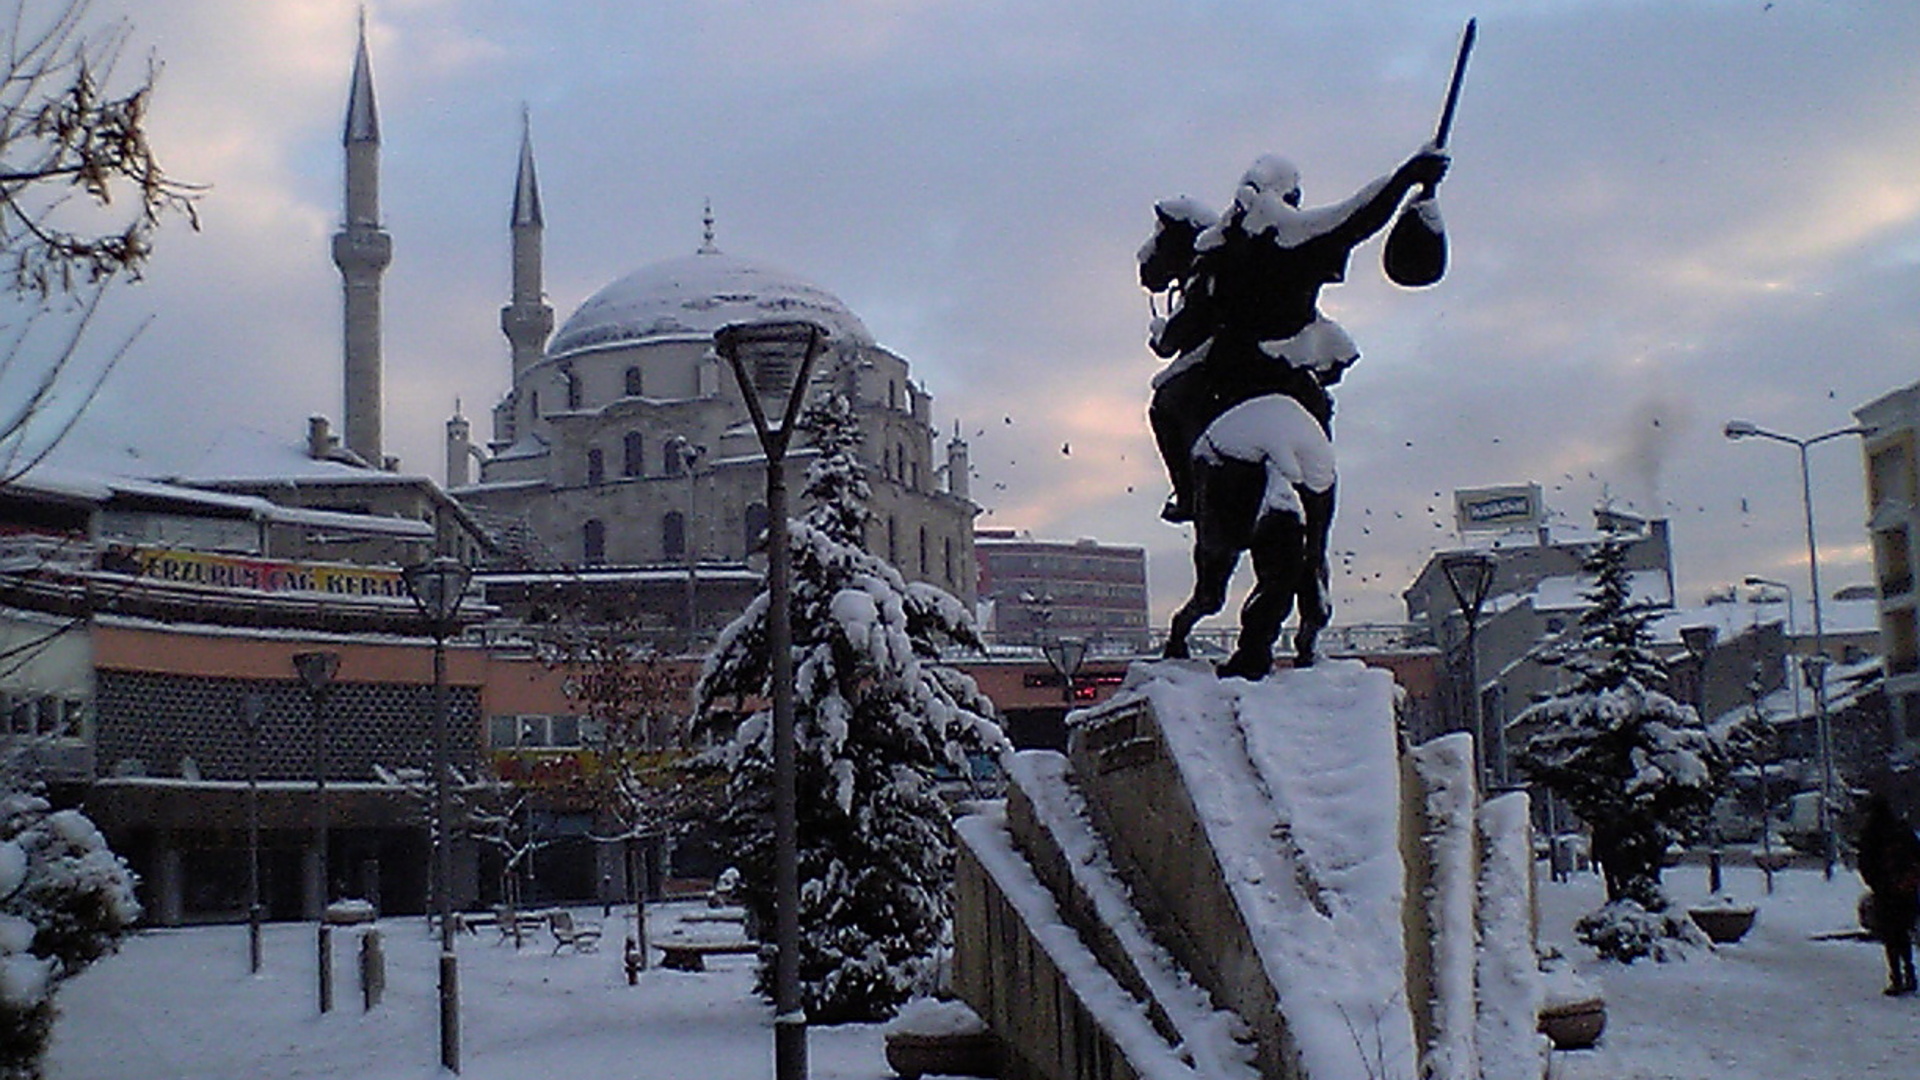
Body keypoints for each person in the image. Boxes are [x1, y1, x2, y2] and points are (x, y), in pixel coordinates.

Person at [1140, 146, 1446, 664]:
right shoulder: (1301, 242)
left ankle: (1188, 495)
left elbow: (1176, 340)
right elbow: (1359, 216)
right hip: (1293, 390)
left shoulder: (1221, 254)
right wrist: (1407, 179)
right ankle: (1312, 591)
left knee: (1164, 405)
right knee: (1317, 422)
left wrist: (1163, 333)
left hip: (1232, 388)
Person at [1857, 793, 1920, 995]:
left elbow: (1865, 862)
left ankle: (1897, 977)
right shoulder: (1902, 829)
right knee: (1903, 932)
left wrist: (1876, 883)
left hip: (1886, 891)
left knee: (1891, 936)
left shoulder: (1872, 832)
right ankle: (1910, 972)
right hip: (1907, 890)